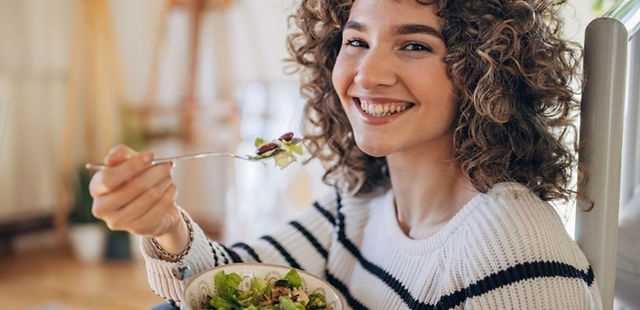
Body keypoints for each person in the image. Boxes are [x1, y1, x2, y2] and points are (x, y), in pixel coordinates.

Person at [89, 0, 602, 308]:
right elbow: (223, 283)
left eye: (415, 46)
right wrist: (164, 226)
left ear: (483, 71)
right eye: (356, 41)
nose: (368, 74)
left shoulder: (513, 248)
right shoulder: (361, 201)